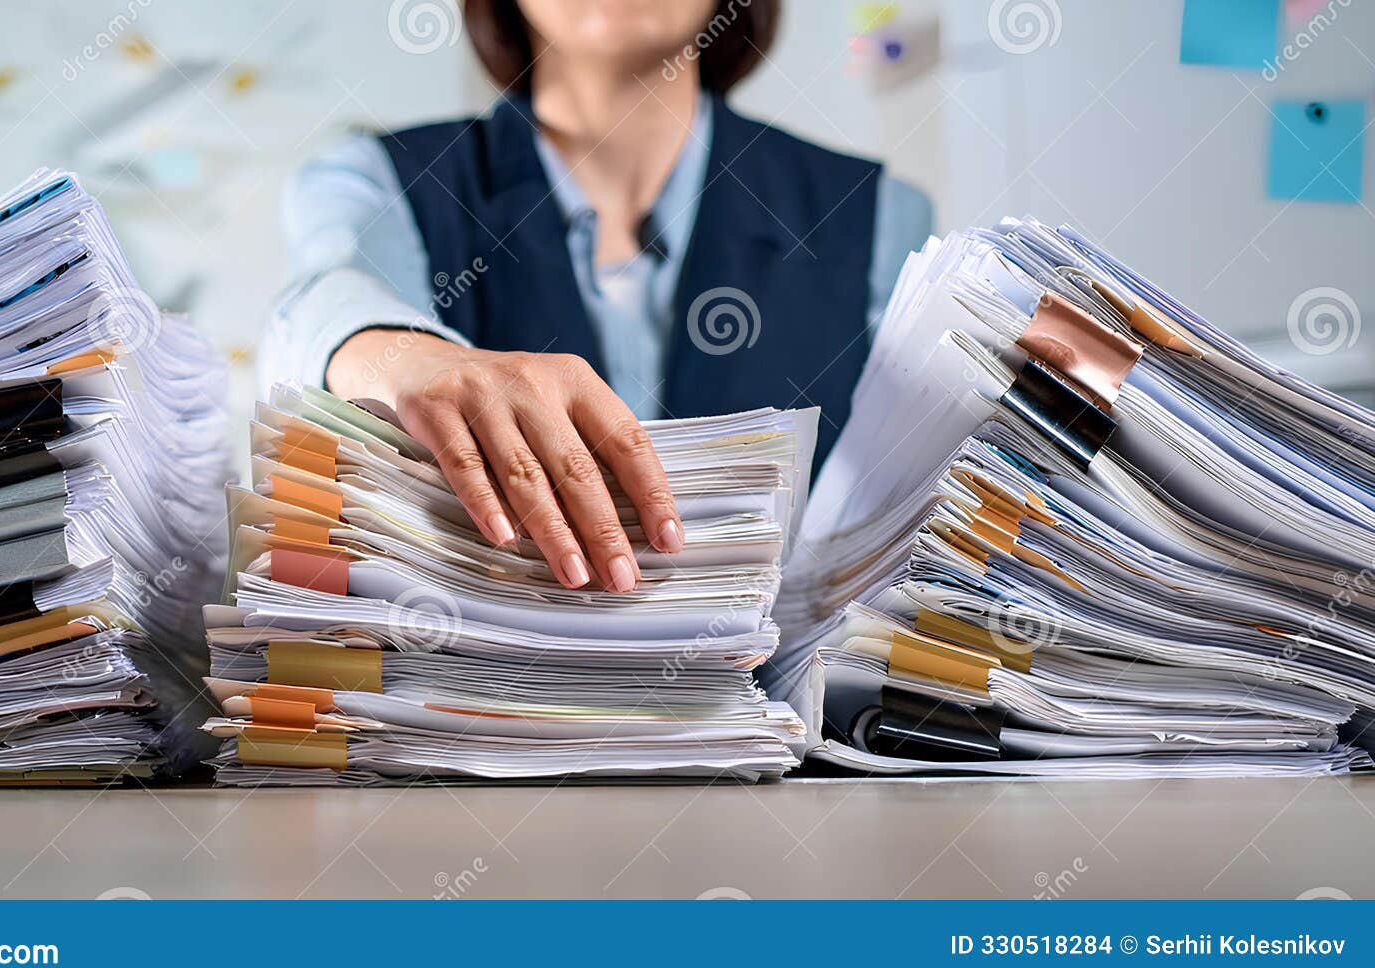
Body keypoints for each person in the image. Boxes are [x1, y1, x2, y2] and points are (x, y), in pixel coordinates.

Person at [264, 0, 930, 593]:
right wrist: (403, 358)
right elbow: (328, 298)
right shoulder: (372, 180)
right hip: (478, 711)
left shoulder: (877, 217)